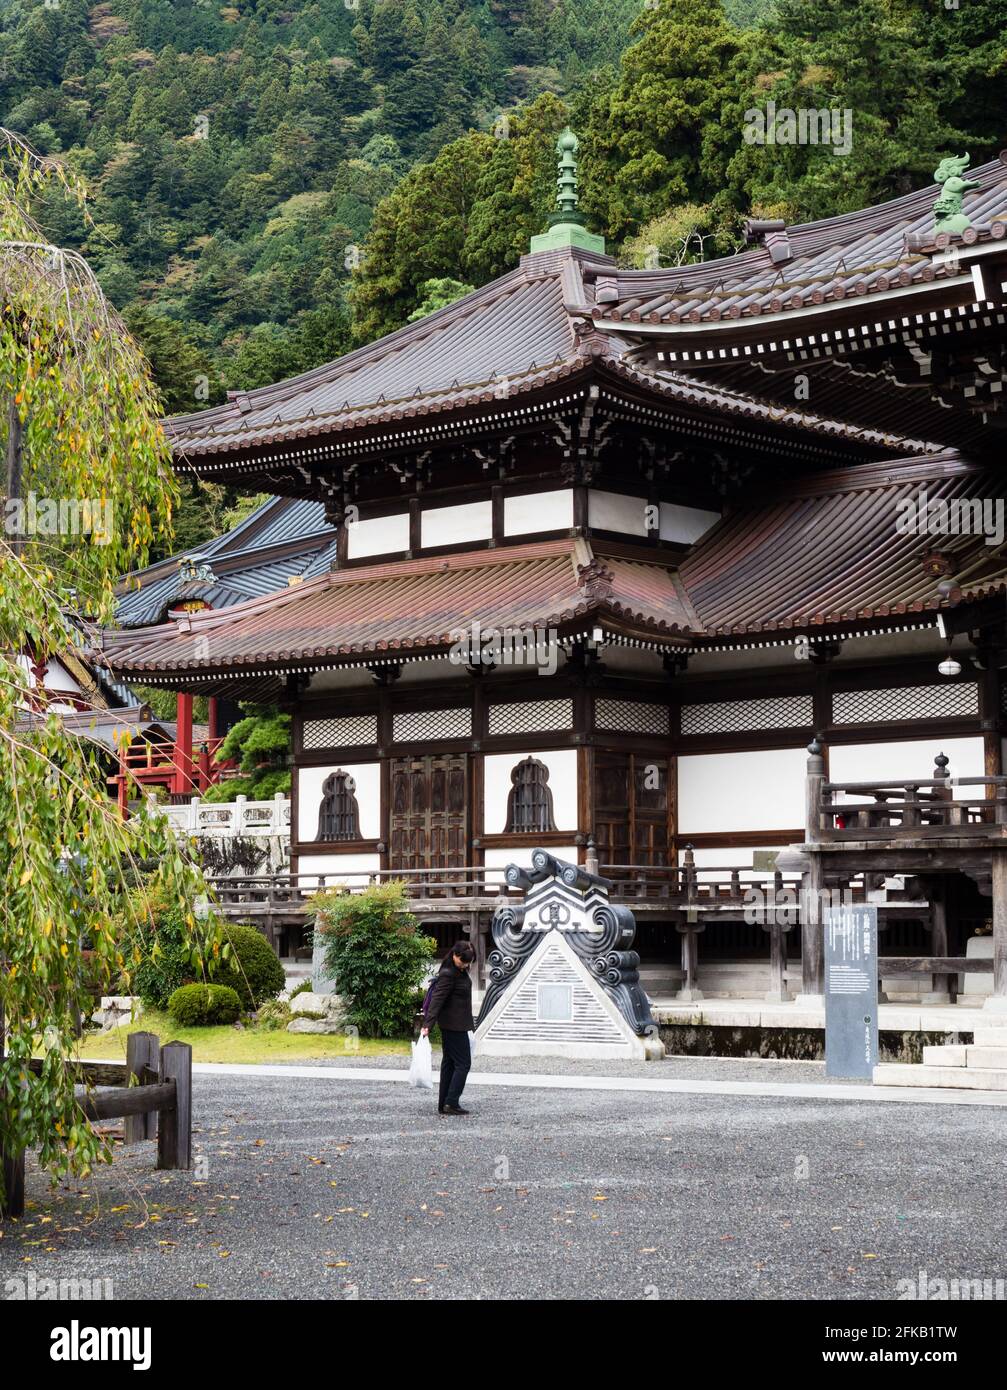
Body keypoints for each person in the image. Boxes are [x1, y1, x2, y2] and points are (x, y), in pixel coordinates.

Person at [422, 941, 475, 1115]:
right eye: (463, 961)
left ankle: (444, 1103)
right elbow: (437, 1000)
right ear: (454, 955)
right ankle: (451, 1102)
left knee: (449, 1064)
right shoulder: (448, 974)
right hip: (454, 1026)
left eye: (468, 962)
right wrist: (427, 1024)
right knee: (463, 1064)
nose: (465, 965)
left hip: (456, 1024)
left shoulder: (458, 971)